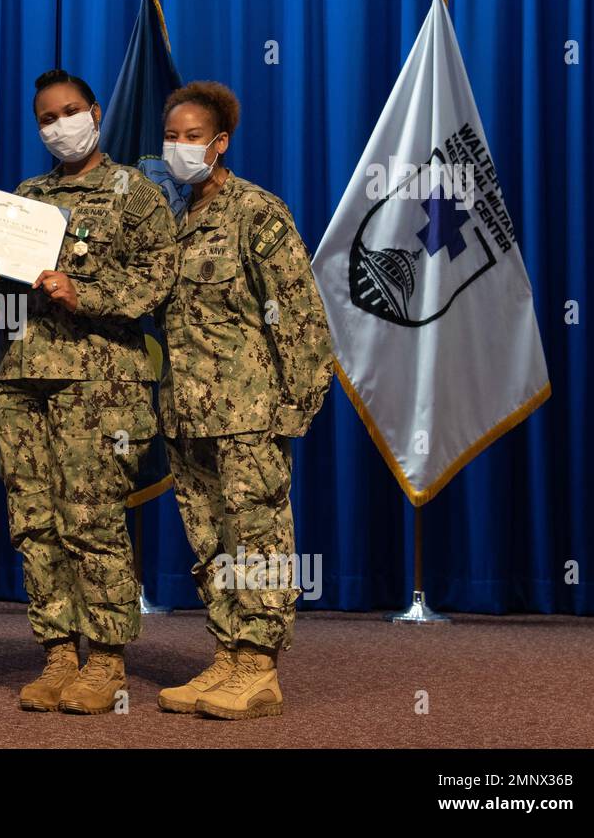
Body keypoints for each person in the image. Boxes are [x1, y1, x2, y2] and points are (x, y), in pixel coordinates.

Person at [0, 69, 177, 714]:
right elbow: (7, 296)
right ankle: (58, 650)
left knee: (93, 521)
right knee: (35, 522)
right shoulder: (25, 198)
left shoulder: (134, 193)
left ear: (95, 111)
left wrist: (88, 295)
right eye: (48, 118)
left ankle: (106, 658)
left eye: (71, 111)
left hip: (100, 384)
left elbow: (159, 282)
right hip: (23, 378)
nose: (61, 125)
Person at [154, 81, 332, 719]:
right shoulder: (170, 218)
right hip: (185, 412)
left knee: (256, 539)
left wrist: (296, 404)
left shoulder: (258, 213)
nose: (179, 147)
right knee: (211, 539)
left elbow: (301, 317)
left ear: (220, 142)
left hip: (248, 412)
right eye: (171, 137)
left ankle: (260, 666)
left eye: (192, 137)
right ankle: (227, 654)